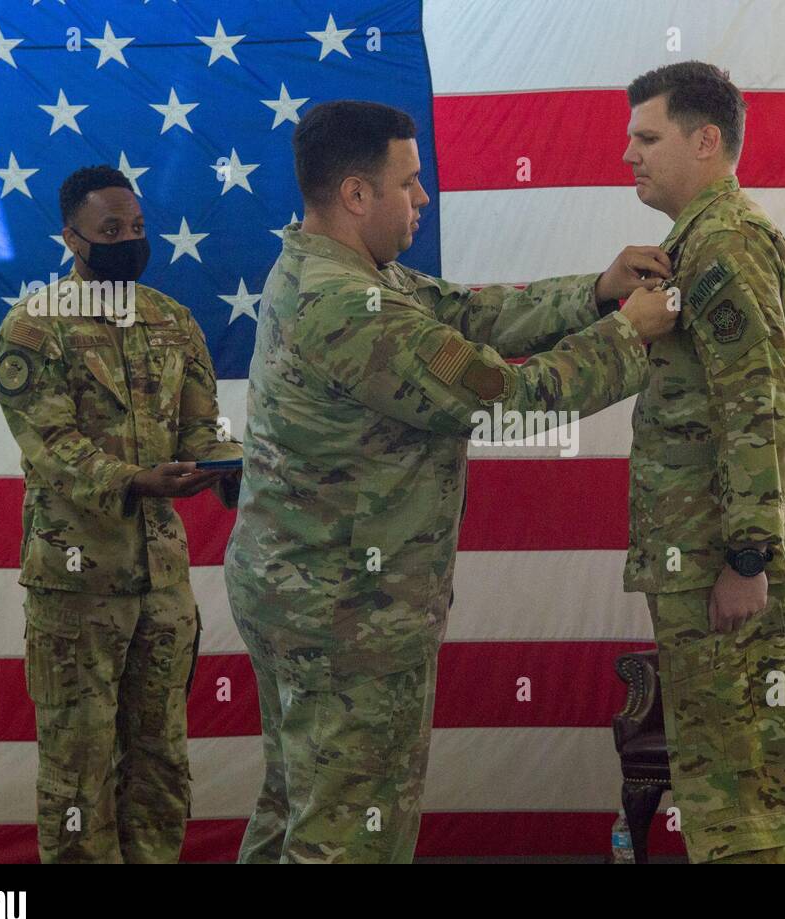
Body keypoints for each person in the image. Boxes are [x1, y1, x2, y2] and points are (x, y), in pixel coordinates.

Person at [224, 99, 678, 863]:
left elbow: (469, 316)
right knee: (351, 833)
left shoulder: (348, 272)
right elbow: (502, 396)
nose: (424, 198)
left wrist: (595, 292)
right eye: (410, 183)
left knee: (300, 802)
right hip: (346, 615)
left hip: (306, 594)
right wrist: (625, 333)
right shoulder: (346, 304)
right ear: (356, 195)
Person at [0, 165, 243, 863]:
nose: (128, 242)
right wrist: (135, 480)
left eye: (136, 229)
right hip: (77, 588)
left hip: (162, 586)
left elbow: (201, 430)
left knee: (160, 764)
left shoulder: (172, 320)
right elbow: (51, 449)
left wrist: (232, 469)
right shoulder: (33, 329)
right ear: (72, 236)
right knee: (80, 775)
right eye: (111, 231)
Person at [620, 62, 785, 863]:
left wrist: (746, 556)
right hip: (698, 558)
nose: (629, 154)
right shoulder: (696, 240)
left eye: (647, 137)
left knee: (740, 809)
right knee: (727, 797)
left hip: (719, 564)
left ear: (707, 141)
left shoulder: (723, 245)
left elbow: (757, 406)